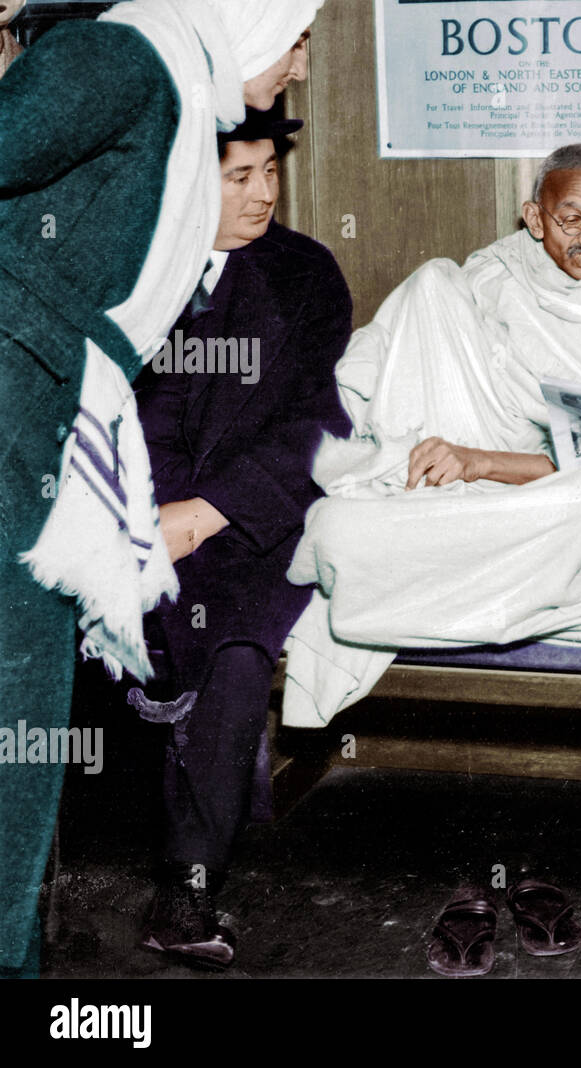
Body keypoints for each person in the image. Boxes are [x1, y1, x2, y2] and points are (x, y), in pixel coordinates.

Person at [279, 142, 581, 975]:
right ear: (532, 217)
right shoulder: (488, 279)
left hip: (554, 502)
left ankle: (439, 552)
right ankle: (436, 532)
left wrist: (481, 464)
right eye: (569, 219)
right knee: (344, 521)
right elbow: (379, 392)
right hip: (466, 502)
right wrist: (449, 463)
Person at [0, 0, 324, 979]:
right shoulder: (129, 58)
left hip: (49, 417)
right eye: (300, 33)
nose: (302, 66)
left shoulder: (171, 86)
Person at [127, 110, 351, 969]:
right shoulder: (134, 270)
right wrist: (135, 519)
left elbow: (317, 423)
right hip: (128, 517)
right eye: (239, 176)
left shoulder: (304, 274)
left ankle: (187, 883)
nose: (264, 193)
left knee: (231, 643)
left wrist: (206, 512)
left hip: (252, 520)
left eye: (270, 170)